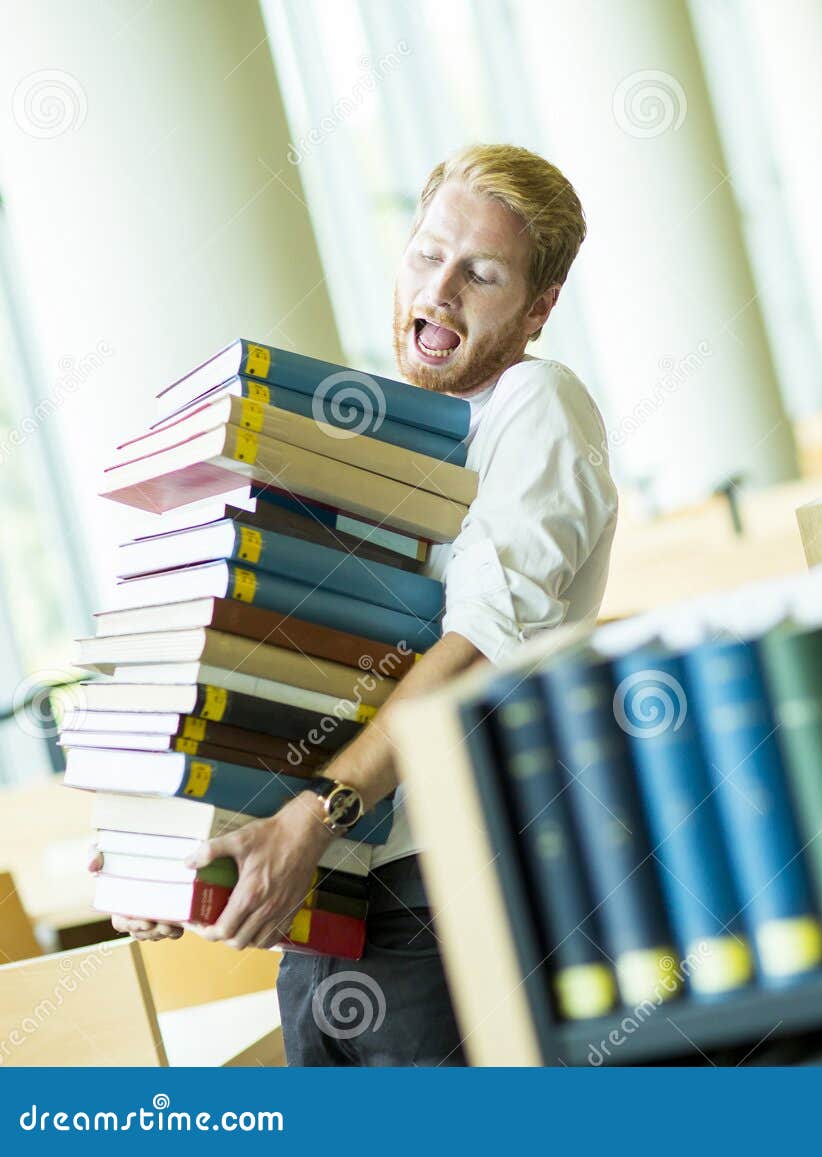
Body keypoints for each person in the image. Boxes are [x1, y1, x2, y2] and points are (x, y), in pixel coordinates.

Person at [98, 143, 617, 1066]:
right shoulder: (394, 445)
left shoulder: (536, 403)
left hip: (449, 894)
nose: (441, 290)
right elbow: (302, 675)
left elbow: (477, 647)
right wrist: (176, 849)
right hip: (328, 908)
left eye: (481, 274)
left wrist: (315, 815)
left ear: (538, 308)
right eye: (428, 255)